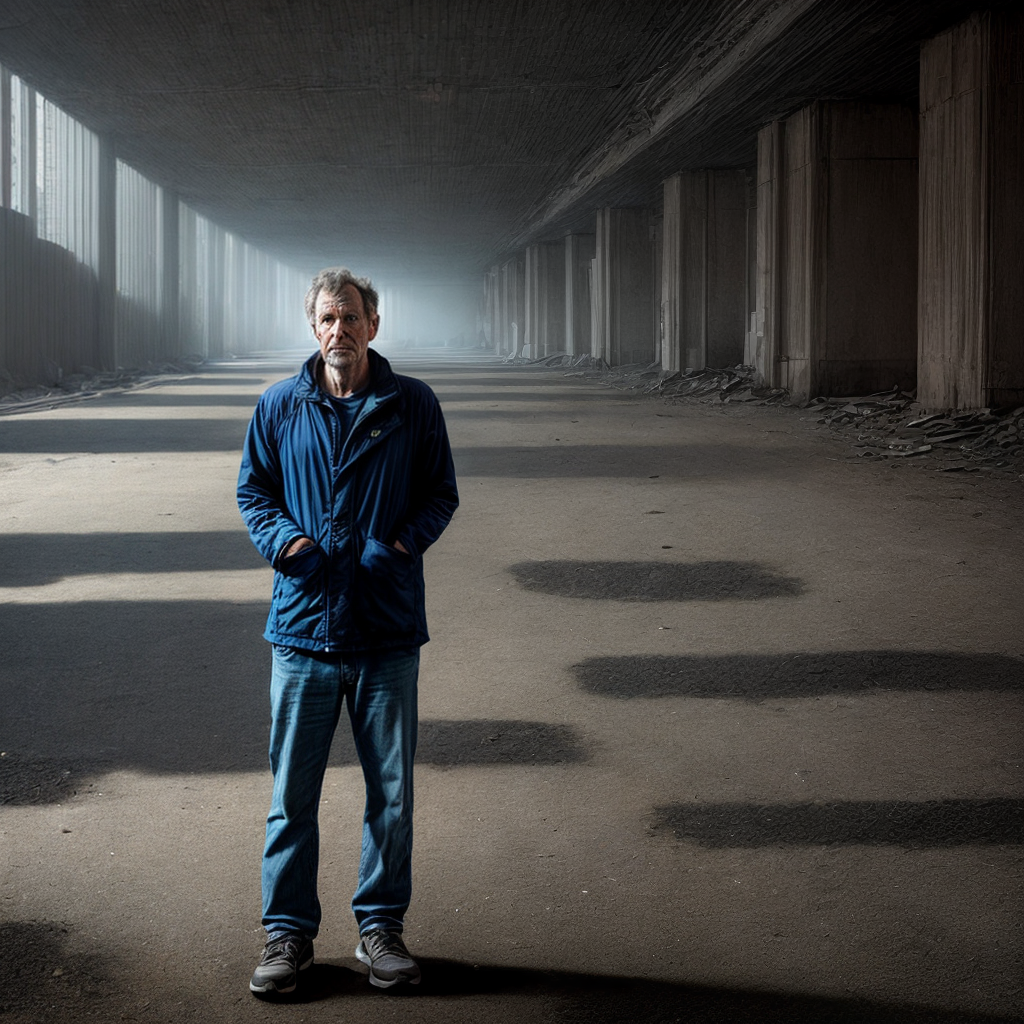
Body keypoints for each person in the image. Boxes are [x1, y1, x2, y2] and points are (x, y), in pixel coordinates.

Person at [237, 267, 459, 996]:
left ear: (374, 325)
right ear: (313, 327)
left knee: (390, 795)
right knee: (290, 798)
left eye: (353, 319)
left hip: (386, 631)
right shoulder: (278, 405)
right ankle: (287, 936)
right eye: (328, 319)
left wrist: (395, 547)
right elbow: (255, 491)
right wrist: (288, 546)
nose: (341, 331)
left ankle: (379, 930)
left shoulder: (412, 405)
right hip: (301, 632)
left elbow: (438, 493)